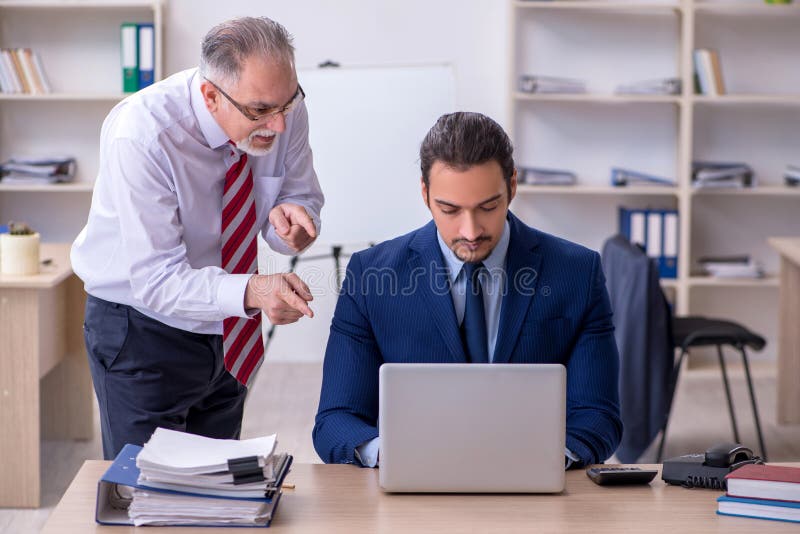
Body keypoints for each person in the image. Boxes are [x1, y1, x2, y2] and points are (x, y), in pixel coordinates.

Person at [71, 17, 323, 460]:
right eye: (260, 112)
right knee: (145, 486)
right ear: (210, 96)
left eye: (287, 104)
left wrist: (296, 221)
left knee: (215, 483)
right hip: (140, 326)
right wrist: (254, 290)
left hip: (230, 325)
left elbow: (298, 192)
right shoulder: (143, 134)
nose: (280, 125)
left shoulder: (282, 106)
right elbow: (157, 279)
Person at [313, 112, 621, 468]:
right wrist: (394, 456)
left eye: (488, 207)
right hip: (415, 482)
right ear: (425, 194)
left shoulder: (578, 272)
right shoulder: (370, 276)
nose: (471, 231)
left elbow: (598, 416)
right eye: (450, 209)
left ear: (512, 186)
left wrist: (546, 460)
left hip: (533, 481)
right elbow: (335, 421)